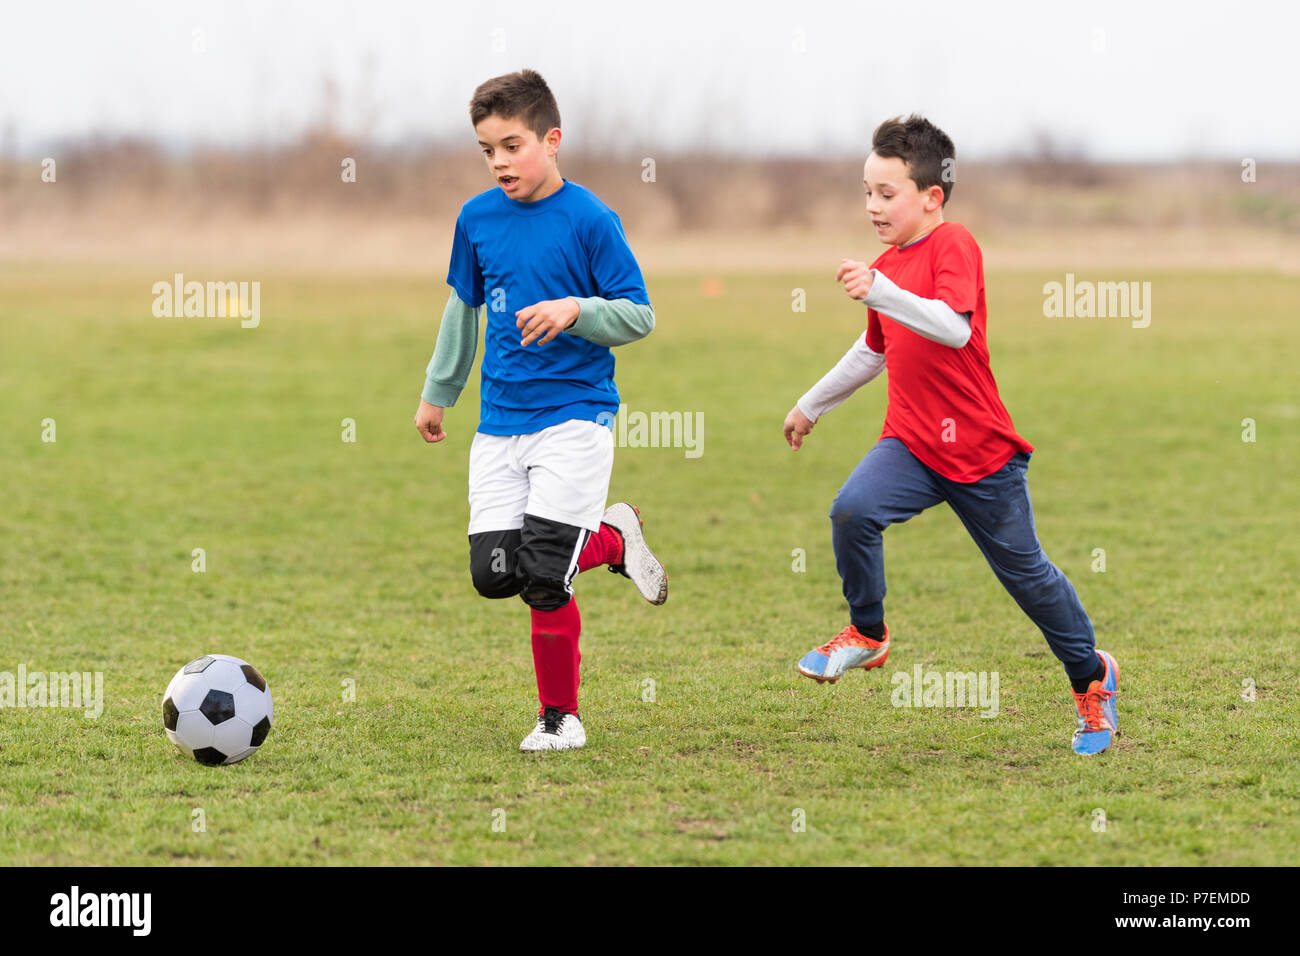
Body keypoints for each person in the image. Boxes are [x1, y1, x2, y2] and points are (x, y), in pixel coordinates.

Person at [782, 114, 1118, 755]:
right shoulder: (888, 266)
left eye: (888, 193)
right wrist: (811, 404)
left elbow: (952, 327)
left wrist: (881, 288)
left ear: (932, 197)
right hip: (910, 444)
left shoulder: (954, 245)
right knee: (852, 511)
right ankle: (868, 632)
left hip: (981, 454)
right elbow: (872, 351)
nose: (873, 206)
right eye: (867, 192)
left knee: (1031, 582)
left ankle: (1092, 680)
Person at [414, 69, 667, 753]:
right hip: (499, 423)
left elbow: (638, 314)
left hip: (575, 417)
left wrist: (575, 310)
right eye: (486, 149)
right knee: (495, 575)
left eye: (512, 145)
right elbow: (462, 310)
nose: (499, 162)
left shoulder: (590, 220)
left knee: (545, 577)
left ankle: (561, 719)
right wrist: (441, 391)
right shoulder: (476, 219)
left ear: (552, 141)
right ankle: (614, 537)